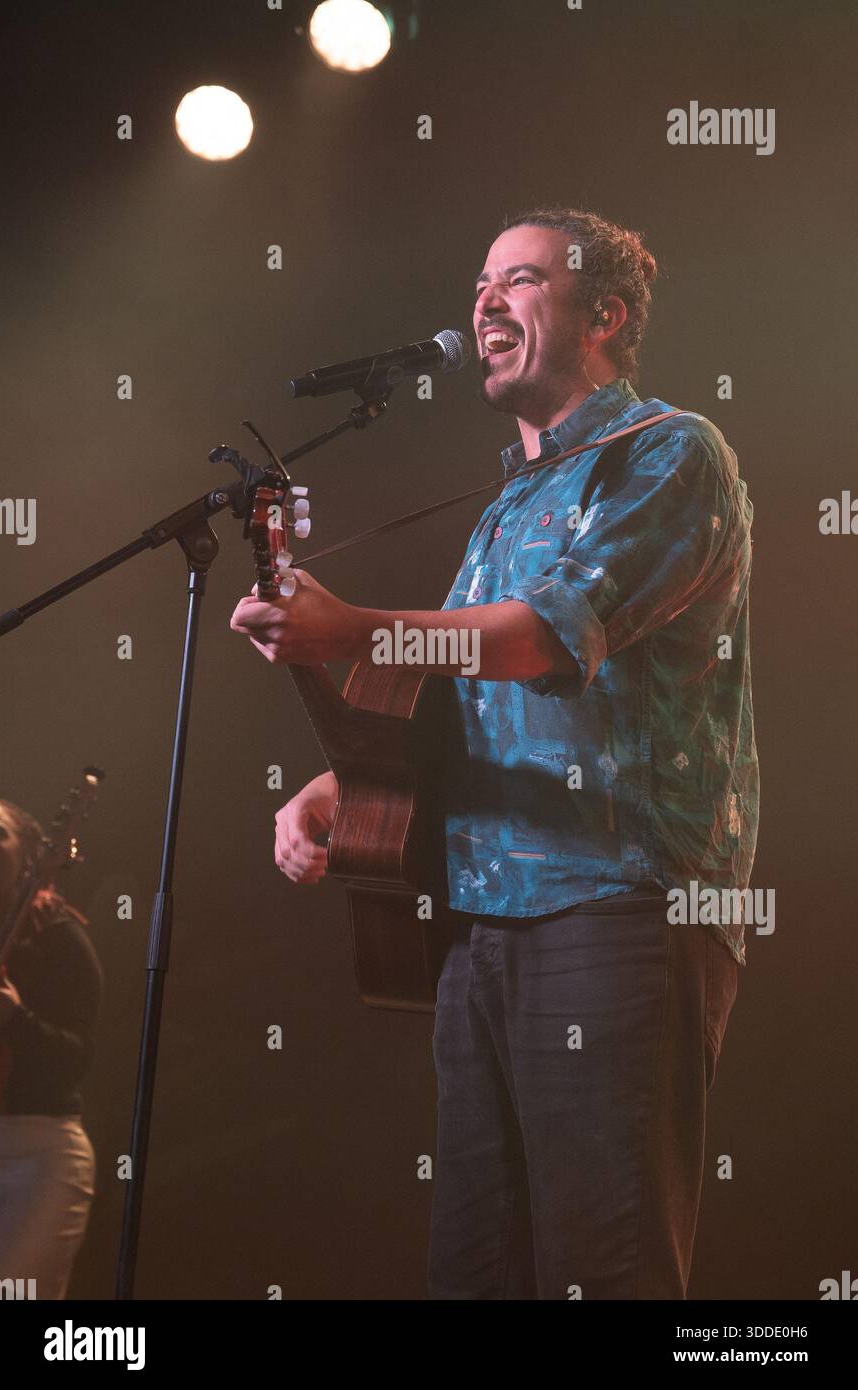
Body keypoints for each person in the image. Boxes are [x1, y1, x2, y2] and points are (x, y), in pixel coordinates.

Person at [229, 206, 759, 1300]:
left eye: (519, 280)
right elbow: (472, 695)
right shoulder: (506, 501)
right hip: (483, 916)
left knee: (602, 1267)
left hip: (617, 904)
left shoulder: (666, 452)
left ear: (602, 313)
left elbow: (541, 640)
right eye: (480, 283)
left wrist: (352, 629)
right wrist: (351, 781)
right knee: (476, 1274)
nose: (484, 302)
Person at [0, 799, 103, 1300]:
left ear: (32, 856)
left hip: (36, 1154)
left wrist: (15, 1019)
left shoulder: (61, 937)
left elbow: (76, 1059)